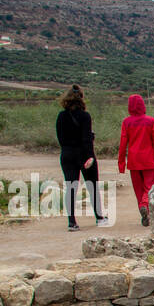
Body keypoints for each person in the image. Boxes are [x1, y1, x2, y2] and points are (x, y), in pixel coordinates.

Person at [55, 85, 104, 231]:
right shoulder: (85, 116)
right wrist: (90, 156)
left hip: (67, 154)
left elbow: (60, 138)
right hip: (83, 155)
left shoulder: (61, 116)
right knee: (92, 186)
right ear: (81, 98)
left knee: (70, 187)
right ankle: (99, 217)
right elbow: (86, 139)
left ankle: (72, 222)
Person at [117, 93, 154, 226]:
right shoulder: (150, 121)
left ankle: (143, 210)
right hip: (149, 160)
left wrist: (121, 164)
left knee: (138, 190)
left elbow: (122, 144)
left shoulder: (126, 122)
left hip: (133, 161)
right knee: (149, 187)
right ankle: (145, 206)